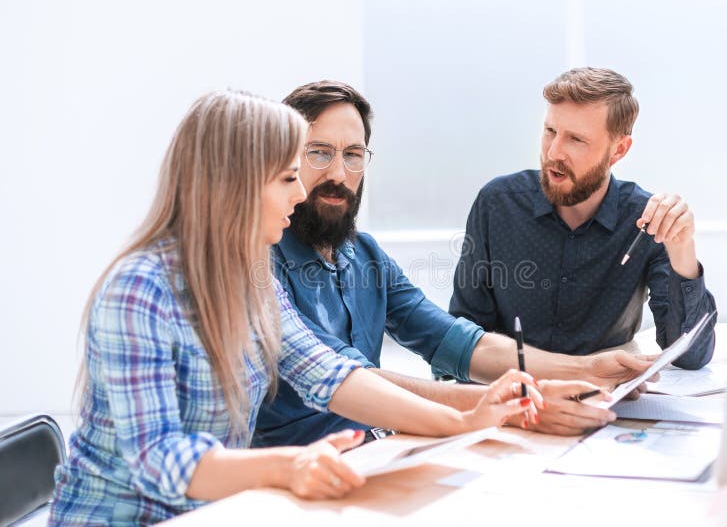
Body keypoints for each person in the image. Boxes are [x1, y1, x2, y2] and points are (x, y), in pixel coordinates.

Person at [48, 90, 541, 525]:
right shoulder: (139, 291)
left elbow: (330, 374)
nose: (302, 192)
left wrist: (467, 418)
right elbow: (158, 459)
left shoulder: (251, 280)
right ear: (234, 186)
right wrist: (286, 466)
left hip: (221, 512)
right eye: (288, 177)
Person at [254, 81, 659, 446]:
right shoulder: (259, 265)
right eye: (319, 153)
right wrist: (502, 406)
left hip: (380, 452)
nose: (339, 173)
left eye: (353, 155)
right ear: (285, 160)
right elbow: (346, 380)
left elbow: (456, 341)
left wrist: (586, 369)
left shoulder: (365, 255)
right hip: (297, 474)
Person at [449, 67, 717, 370]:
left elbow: (691, 356)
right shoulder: (497, 204)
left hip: (609, 406)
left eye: (576, 139)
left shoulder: (647, 221)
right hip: (512, 398)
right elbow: (460, 340)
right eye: (550, 131)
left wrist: (683, 251)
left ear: (618, 150)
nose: (554, 152)